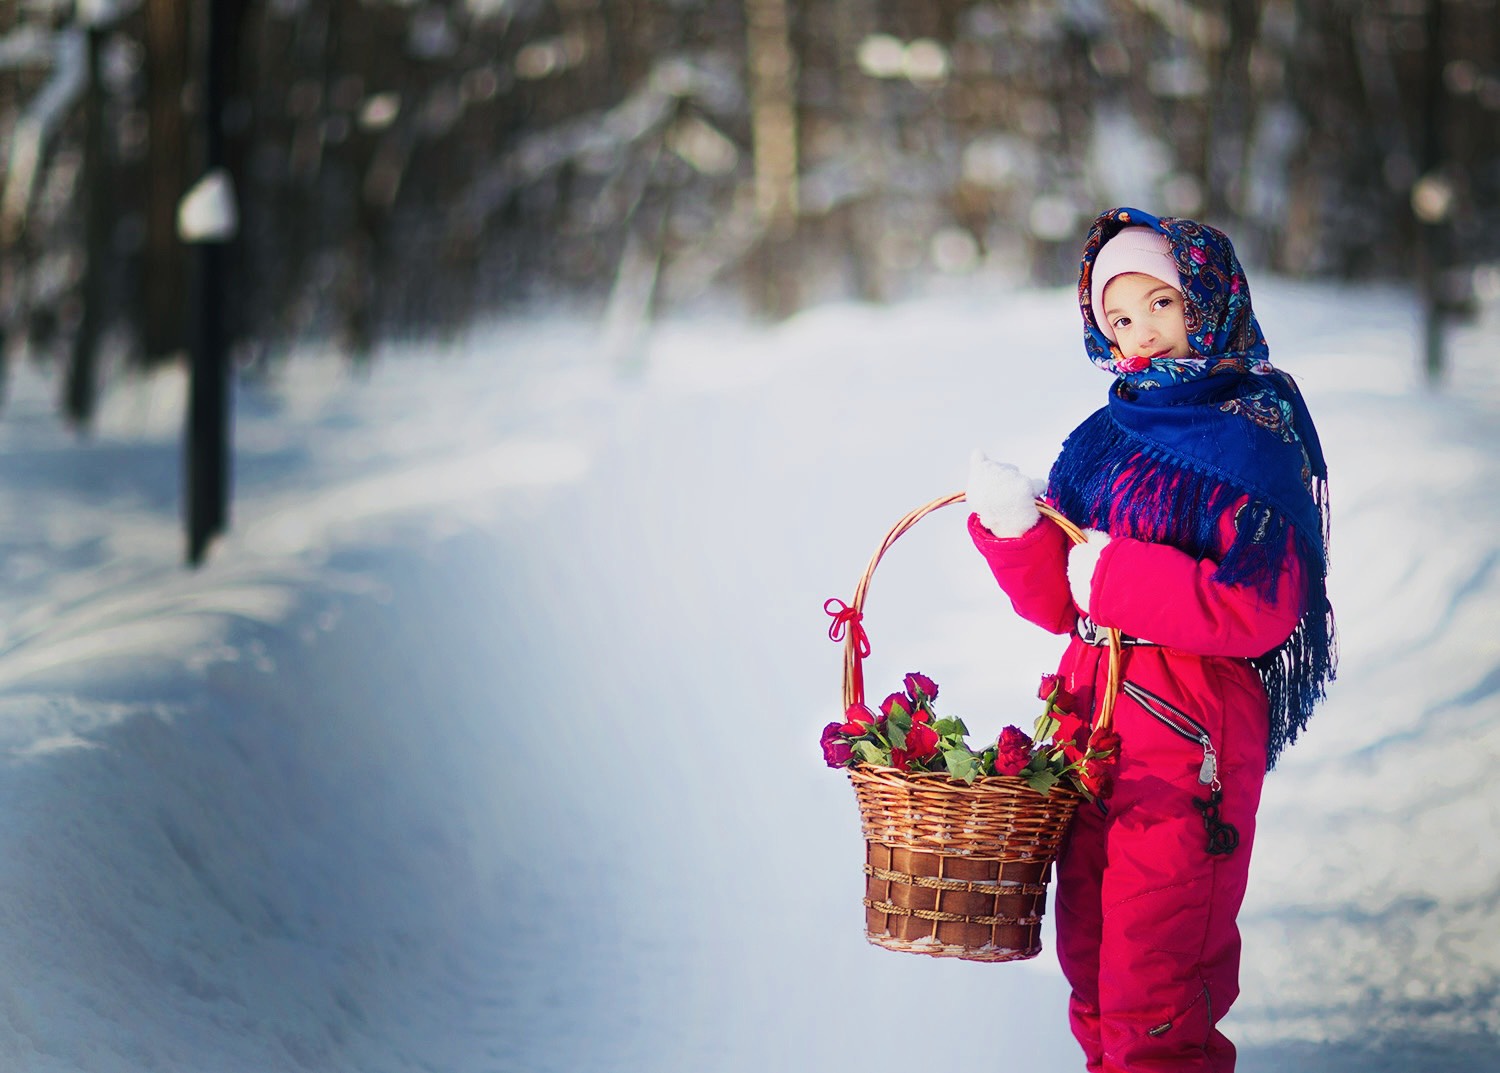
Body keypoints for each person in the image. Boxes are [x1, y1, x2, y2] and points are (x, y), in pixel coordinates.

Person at [965, 207, 1335, 1072]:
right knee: (1092, 972)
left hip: (1189, 742)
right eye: (1117, 317)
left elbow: (1263, 606)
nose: (1138, 335)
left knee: (1158, 992)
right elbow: (1066, 604)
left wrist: (1124, 579)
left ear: (1207, 296)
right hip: (1087, 737)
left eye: (1160, 303)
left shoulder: (1253, 433)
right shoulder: (1105, 435)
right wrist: (1018, 534)